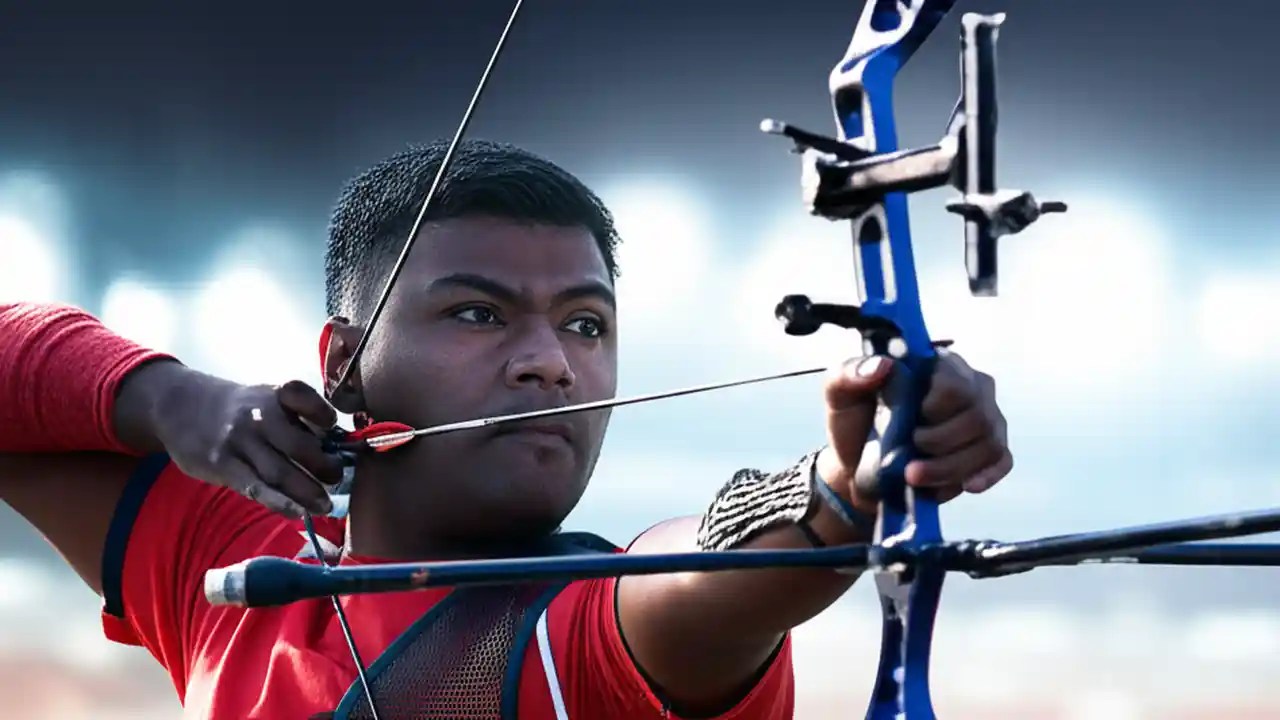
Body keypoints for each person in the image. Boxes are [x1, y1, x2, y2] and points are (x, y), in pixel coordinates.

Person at [0, 139, 1012, 720]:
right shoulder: (230, 554)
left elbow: (711, 573)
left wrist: (846, 483)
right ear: (342, 360)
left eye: (585, 324)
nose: (550, 361)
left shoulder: (584, 629)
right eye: (478, 313)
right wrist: (170, 400)